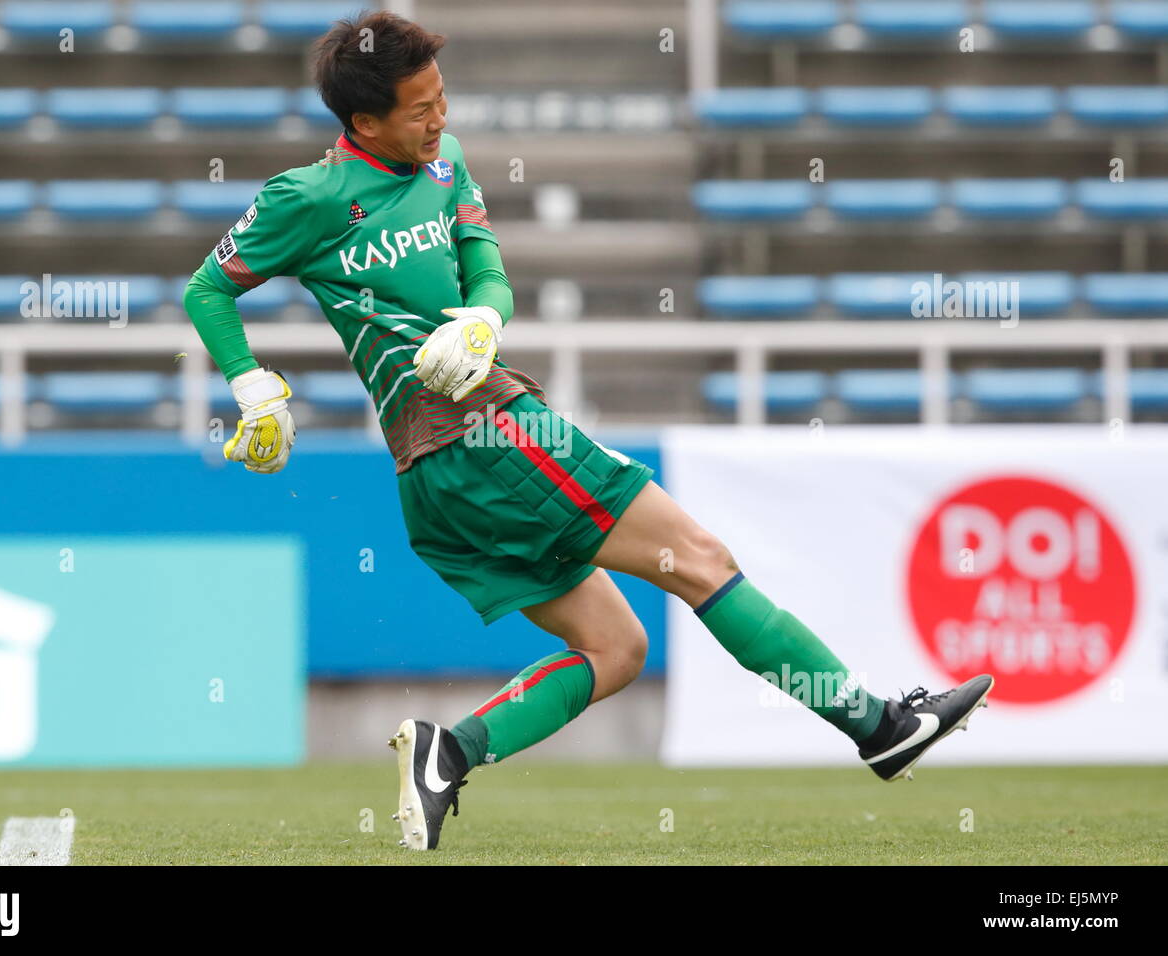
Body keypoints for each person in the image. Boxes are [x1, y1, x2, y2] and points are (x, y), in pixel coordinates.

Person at [183, 11, 994, 853]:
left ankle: (447, 752)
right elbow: (208, 290)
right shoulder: (307, 198)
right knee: (704, 562)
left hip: (445, 477)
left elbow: (488, 271)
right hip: (489, 440)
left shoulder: (445, 163)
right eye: (421, 108)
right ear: (363, 123)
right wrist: (251, 387)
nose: (441, 118)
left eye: (442, 97)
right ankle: (880, 727)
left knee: (618, 646)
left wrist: (482, 325)